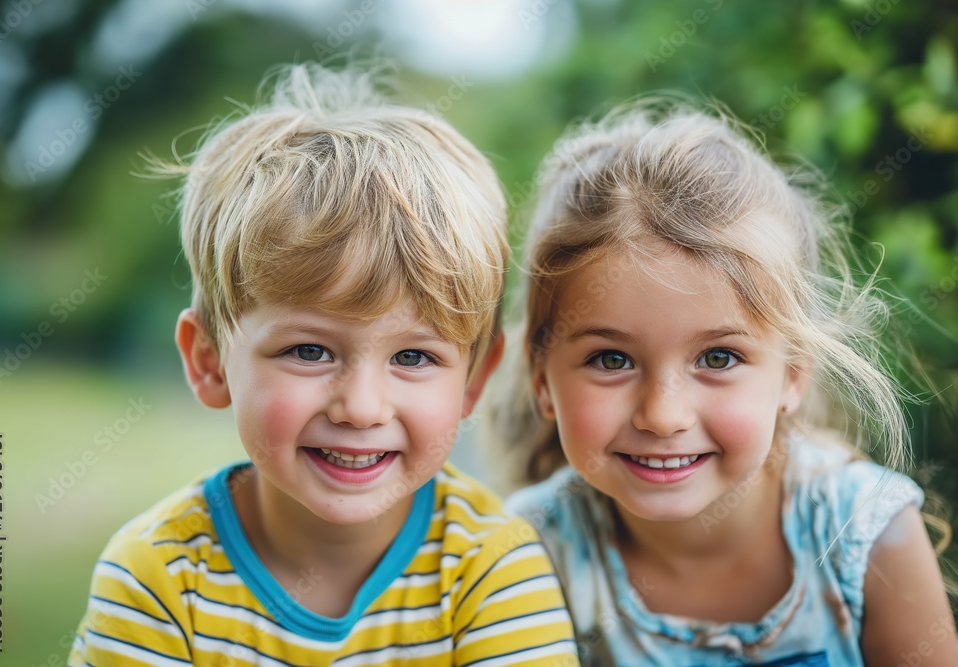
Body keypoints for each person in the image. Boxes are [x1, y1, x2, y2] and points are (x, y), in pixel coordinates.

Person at [68, 63, 579, 667]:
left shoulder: (493, 572)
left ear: (475, 380)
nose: (361, 407)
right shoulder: (156, 578)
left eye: (413, 356)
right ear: (209, 361)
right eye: (309, 351)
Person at [493, 97, 958, 665]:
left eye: (717, 358)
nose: (663, 417)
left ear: (792, 373)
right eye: (612, 360)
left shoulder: (865, 535)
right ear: (542, 378)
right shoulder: (528, 553)